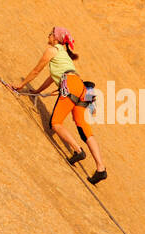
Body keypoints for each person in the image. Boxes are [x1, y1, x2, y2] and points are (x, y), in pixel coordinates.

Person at [14, 27, 107, 184]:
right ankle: (101, 168)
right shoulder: (64, 56)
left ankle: (78, 151)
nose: (48, 35)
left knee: (55, 123)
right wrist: (37, 91)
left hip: (70, 85)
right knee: (84, 128)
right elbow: (52, 77)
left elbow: (37, 71)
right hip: (82, 87)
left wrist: (21, 85)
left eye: (51, 34)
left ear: (56, 39)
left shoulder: (52, 50)